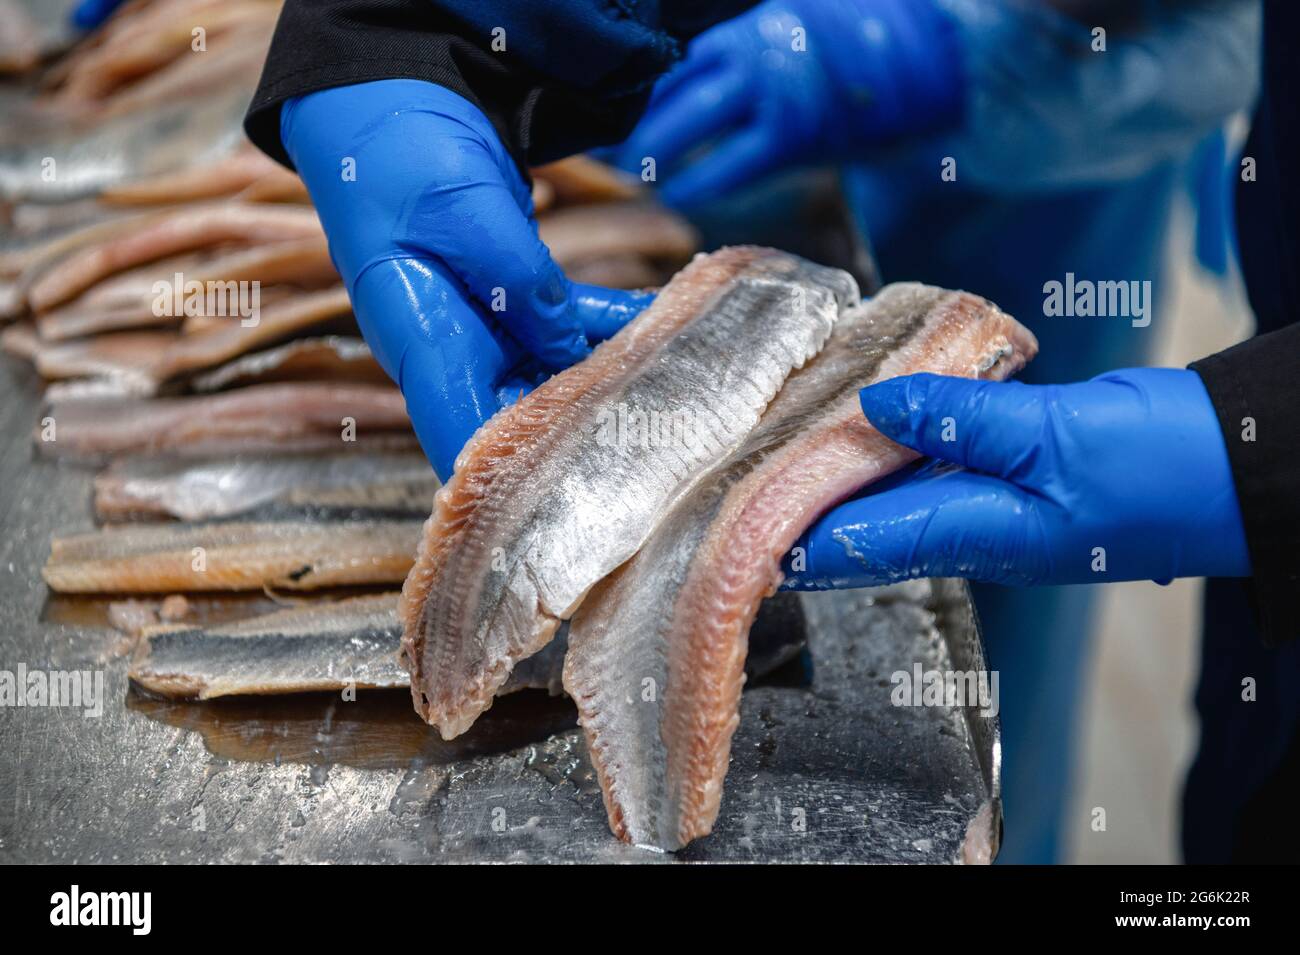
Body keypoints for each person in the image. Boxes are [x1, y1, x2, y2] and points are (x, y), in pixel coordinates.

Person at [235, 0, 1293, 861]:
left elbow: (1222, 38)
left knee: (984, 689)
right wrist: (403, 29)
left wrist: (1258, 449)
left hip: (1065, 151)